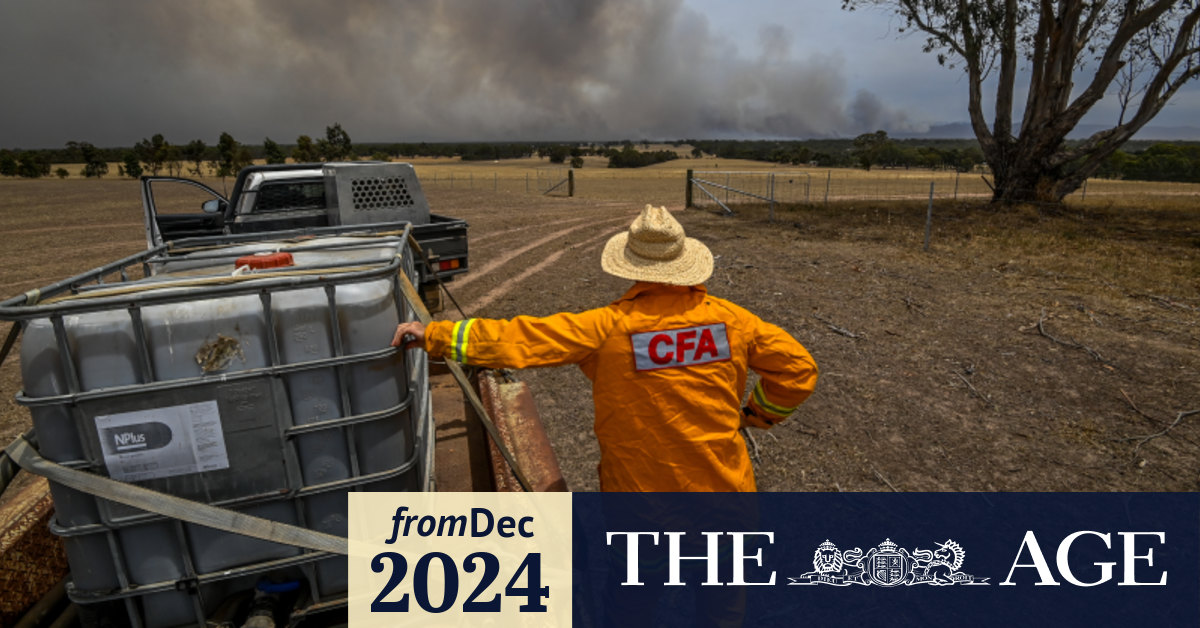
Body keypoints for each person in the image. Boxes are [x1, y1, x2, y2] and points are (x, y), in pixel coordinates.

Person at [392, 205, 817, 492]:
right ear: (685, 262)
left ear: (631, 265)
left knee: (637, 592)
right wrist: (754, 416)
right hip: (724, 494)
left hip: (639, 498)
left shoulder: (606, 328)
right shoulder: (734, 322)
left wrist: (435, 336)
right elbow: (798, 369)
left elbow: (521, 338)